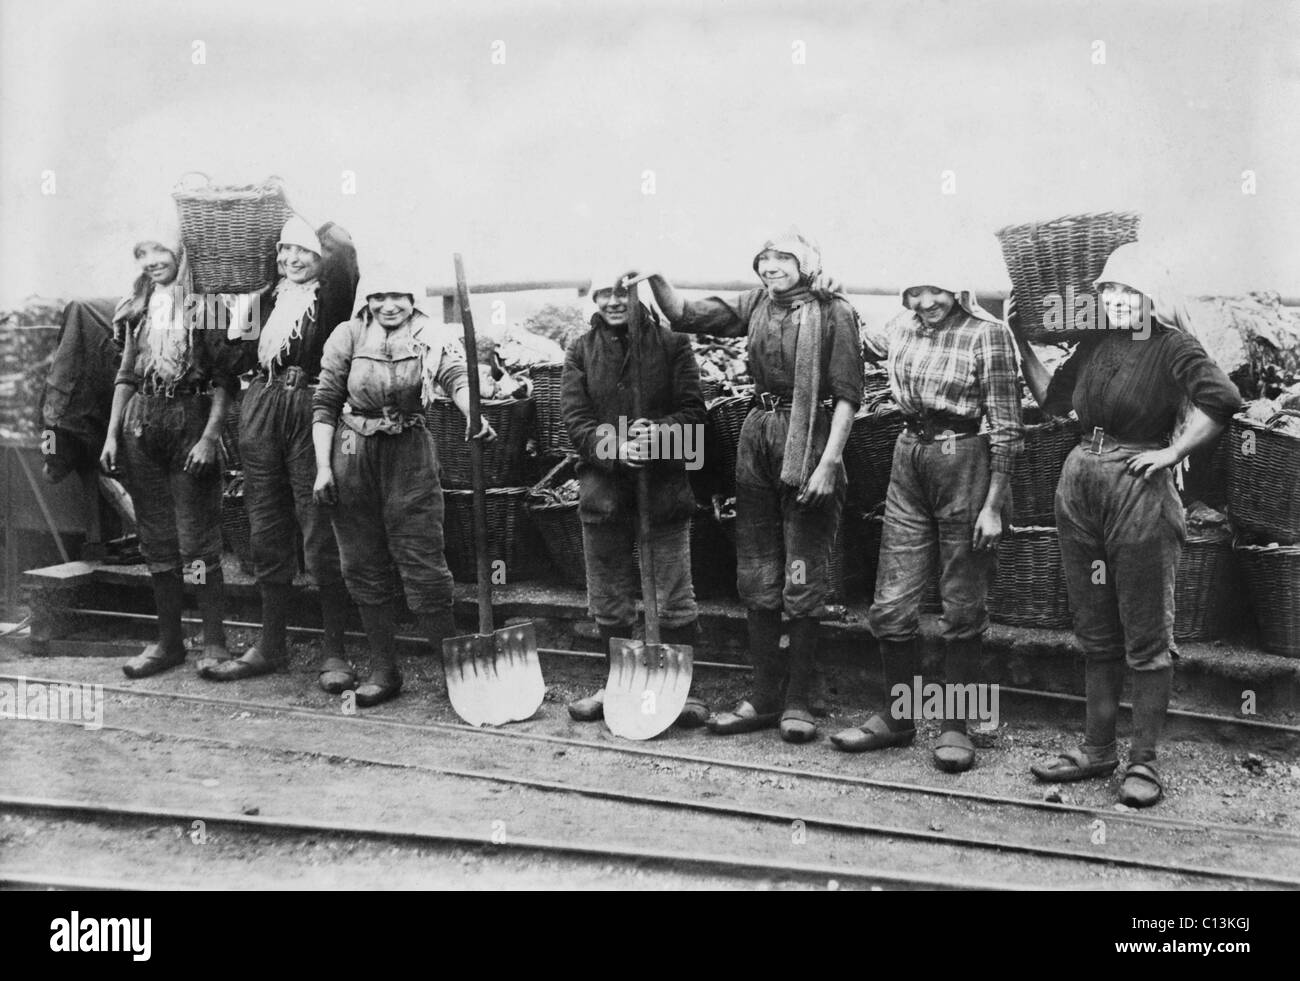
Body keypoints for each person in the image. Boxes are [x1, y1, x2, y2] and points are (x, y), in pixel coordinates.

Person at [1016, 243, 1241, 806]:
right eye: (1110, 290)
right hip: (1081, 486)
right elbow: (1052, 402)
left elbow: (1224, 399)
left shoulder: (1173, 347)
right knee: (1095, 631)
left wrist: (1171, 454)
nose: (1117, 300)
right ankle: (1097, 749)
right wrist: (1021, 344)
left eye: (1129, 291)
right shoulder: (1095, 343)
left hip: (1138, 490)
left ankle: (1143, 762)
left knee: (1145, 634)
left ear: (1152, 295)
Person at [633, 228, 863, 742]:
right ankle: (762, 697)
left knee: (802, 570)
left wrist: (828, 463)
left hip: (811, 438)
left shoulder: (834, 311)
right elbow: (683, 315)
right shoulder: (755, 303)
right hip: (757, 435)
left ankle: (799, 698)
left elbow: (848, 394)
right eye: (765, 259)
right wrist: (654, 276)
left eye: (783, 259)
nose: (771, 267)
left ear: (805, 263)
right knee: (757, 569)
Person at [831, 265, 1024, 773]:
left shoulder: (989, 334)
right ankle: (900, 717)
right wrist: (839, 295)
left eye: (935, 290)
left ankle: (956, 724)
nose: (925, 301)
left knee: (962, 598)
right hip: (907, 455)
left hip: (963, 458)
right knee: (892, 597)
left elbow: (1007, 426)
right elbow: (862, 338)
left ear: (958, 287)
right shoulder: (901, 326)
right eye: (914, 291)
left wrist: (993, 505)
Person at [311, 271, 496, 707]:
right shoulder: (349, 334)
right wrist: (323, 468)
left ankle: (458, 673)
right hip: (351, 451)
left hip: (409, 453)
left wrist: (473, 413)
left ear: (413, 297)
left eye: (397, 295)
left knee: (422, 560)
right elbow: (325, 401)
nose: (388, 305)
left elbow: (456, 377)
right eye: (378, 296)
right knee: (361, 561)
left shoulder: (430, 334)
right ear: (366, 299)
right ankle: (383, 669)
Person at [202, 217, 360, 690]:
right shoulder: (264, 300)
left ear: (319, 259)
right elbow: (227, 357)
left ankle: (335, 651)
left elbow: (344, 252)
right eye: (284, 250)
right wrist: (231, 322)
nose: (291, 259)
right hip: (260, 405)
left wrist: (308, 218)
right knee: (265, 524)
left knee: (319, 523)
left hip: (309, 403)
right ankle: (271, 645)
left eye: (303, 252)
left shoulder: (332, 298)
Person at [561, 272, 709, 727]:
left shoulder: (672, 345)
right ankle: (615, 684)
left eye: (620, 292)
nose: (612, 301)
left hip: (662, 490)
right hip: (604, 491)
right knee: (608, 596)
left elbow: (696, 417)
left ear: (636, 293)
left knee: (673, 594)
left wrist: (660, 435)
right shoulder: (581, 350)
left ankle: (683, 689)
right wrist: (616, 448)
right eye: (603, 293)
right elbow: (575, 420)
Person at [100, 224, 238, 678]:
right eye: (144, 254)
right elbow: (126, 376)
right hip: (143, 424)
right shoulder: (139, 309)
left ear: (180, 255)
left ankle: (213, 641)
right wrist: (112, 435)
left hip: (190, 421)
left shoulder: (206, 309)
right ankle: (168, 642)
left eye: (160, 251)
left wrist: (209, 437)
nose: (151, 261)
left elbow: (224, 380)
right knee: (156, 541)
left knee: (196, 542)